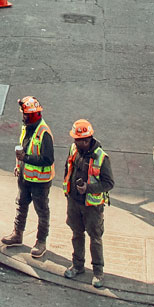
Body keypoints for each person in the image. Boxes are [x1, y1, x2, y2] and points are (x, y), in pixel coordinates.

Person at [2, 94, 57, 258]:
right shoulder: (27, 127)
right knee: (21, 204)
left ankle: (41, 242)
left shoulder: (44, 133)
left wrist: (25, 159)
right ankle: (17, 234)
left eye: (25, 115)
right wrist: (19, 166)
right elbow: (25, 148)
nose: (23, 117)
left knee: (42, 211)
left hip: (40, 181)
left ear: (33, 115)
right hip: (25, 176)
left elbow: (48, 159)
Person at [61, 118, 114, 286]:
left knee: (95, 238)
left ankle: (98, 272)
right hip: (74, 201)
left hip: (92, 206)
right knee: (76, 234)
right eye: (75, 139)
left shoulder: (101, 158)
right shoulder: (74, 149)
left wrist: (88, 188)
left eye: (79, 140)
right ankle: (77, 266)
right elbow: (67, 169)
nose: (76, 143)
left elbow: (109, 183)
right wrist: (69, 191)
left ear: (88, 140)